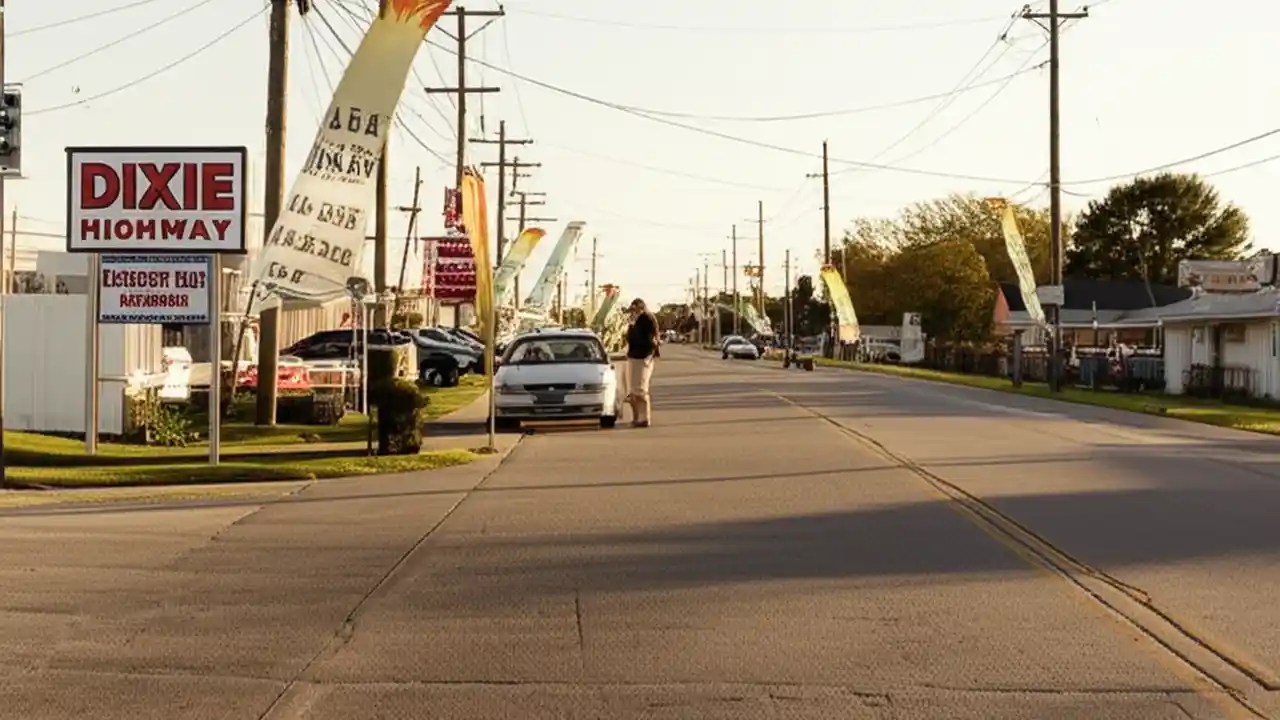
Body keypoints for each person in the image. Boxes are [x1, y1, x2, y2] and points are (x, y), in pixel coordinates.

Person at [623, 297, 660, 428]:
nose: (632, 313)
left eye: (635, 309)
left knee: (640, 389)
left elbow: (649, 339)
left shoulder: (647, 319)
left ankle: (644, 418)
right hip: (634, 356)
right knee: (633, 391)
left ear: (641, 307)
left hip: (643, 356)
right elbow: (630, 338)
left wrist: (633, 328)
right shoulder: (637, 321)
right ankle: (637, 417)